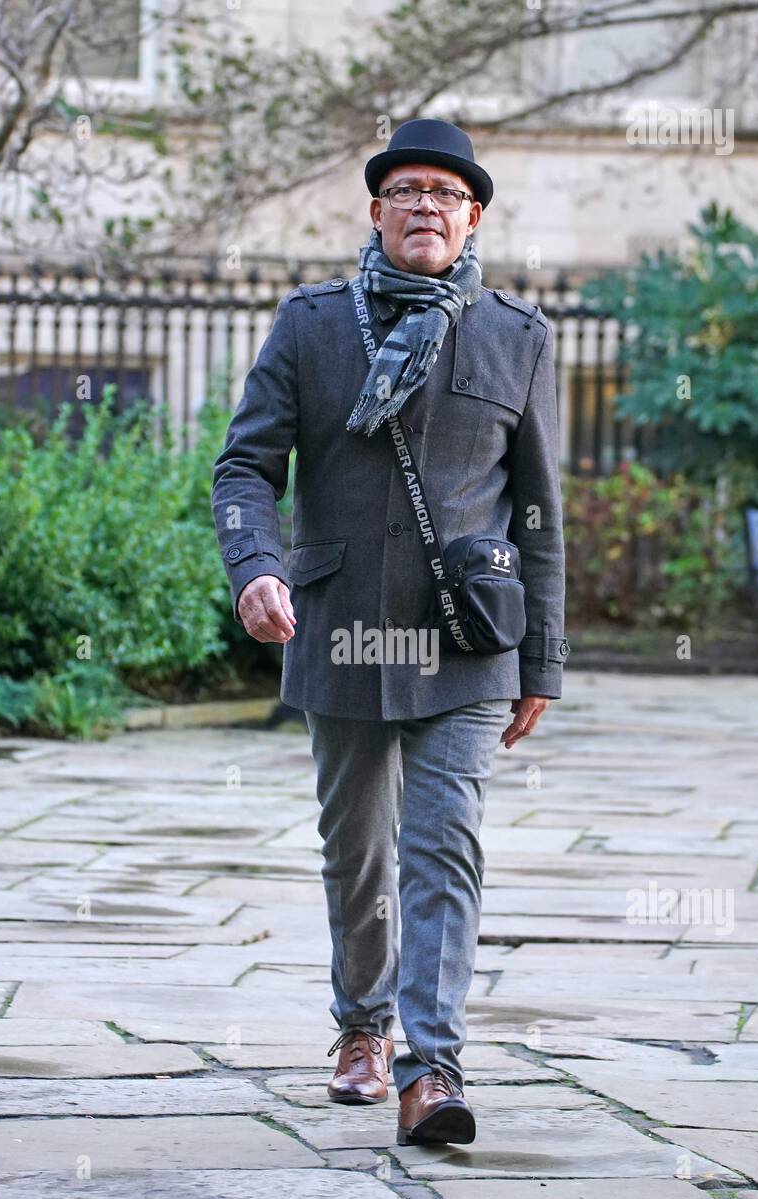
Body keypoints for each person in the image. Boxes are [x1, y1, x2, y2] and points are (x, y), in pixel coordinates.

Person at [211, 118, 569, 1146]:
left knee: (441, 849)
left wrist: (540, 658)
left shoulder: (515, 334)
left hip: (466, 643)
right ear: (375, 210)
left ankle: (431, 1068)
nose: (425, 206)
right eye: (406, 189)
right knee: (356, 853)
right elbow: (244, 467)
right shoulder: (312, 325)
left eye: (446, 194)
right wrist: (256, 567)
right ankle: (359, 1030)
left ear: (472, 217)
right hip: (339, 631)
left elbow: (537, 511)